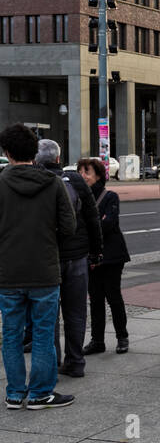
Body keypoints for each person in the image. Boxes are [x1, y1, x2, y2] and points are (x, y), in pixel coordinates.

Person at [0, 123, 77, 408]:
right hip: (44, 269)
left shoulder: (0, 183)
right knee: (45, 332)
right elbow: (69, 227)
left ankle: (15, 392)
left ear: (6, 153)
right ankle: (41, 392)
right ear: (35, 152)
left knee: (11, 333)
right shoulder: (54, 183)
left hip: (8, 272)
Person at [35, 139, 102, 378]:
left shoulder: (35, 181)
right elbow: (93, 218)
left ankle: (52, 362)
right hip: (77, 257)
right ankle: (76, 362)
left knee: (48, 314)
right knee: (75, 312)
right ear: (57, 159)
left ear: (36, 160)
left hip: (47, 258)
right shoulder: (74, 180)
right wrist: (95, 252)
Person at [79, 157, 130, 355]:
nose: (83, 176)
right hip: (91, 256)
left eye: (87, 172)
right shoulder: (79, 198)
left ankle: (122, 337)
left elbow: (109, 224)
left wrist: (89, 227)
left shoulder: (110, 196)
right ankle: (97, 341)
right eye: (80, 171)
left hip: (112, 256)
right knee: (96, 300)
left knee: (114, 297)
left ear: (98, 175)